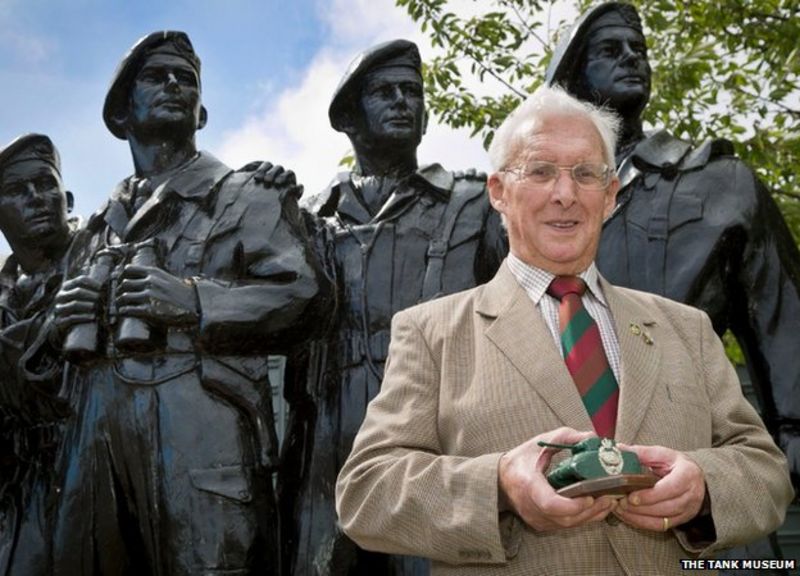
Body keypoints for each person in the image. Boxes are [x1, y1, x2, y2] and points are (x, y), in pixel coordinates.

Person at [335, 85, 793, 575]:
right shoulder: (432, 333)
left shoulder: (687, 328)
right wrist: (500, 485)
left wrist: (704, 485)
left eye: (585, 174)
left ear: (610, 195)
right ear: (498, 193)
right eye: (540, 171)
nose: (565, 194)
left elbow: (766, 472)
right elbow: (367, 491)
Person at [50, 31, 323, 575]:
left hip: (204, 442)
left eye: (188, 79)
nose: (175, 84)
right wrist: (62, 322)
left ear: (201, 114)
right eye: (156, 77)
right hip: (98, 455)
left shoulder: (247, 196)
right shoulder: (95, 232)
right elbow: (46, 361)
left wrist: (196, 301)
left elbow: (304, 295)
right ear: (122, 114)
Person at [545, 1, 800, 489]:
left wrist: (792, 429)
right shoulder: (532, 206)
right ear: (574, 81)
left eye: (638, 48)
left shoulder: (721, 184)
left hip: (700, 463)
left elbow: (782, 319)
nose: (632, 58)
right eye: (610, 50)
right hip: (567, 469)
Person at [282, 39, 506, 576]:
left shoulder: (473, 205)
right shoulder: (307, 219)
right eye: (385, 92)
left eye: (412, 92)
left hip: (437, 427)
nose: (403, 102)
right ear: (349, 118)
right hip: (327, 434)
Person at [0, 133, 78, 576]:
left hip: (93, 469)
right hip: (20, 494)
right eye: (17, 191)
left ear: (66, 196)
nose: (37, 199)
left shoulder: (101, 259)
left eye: (45, 185)